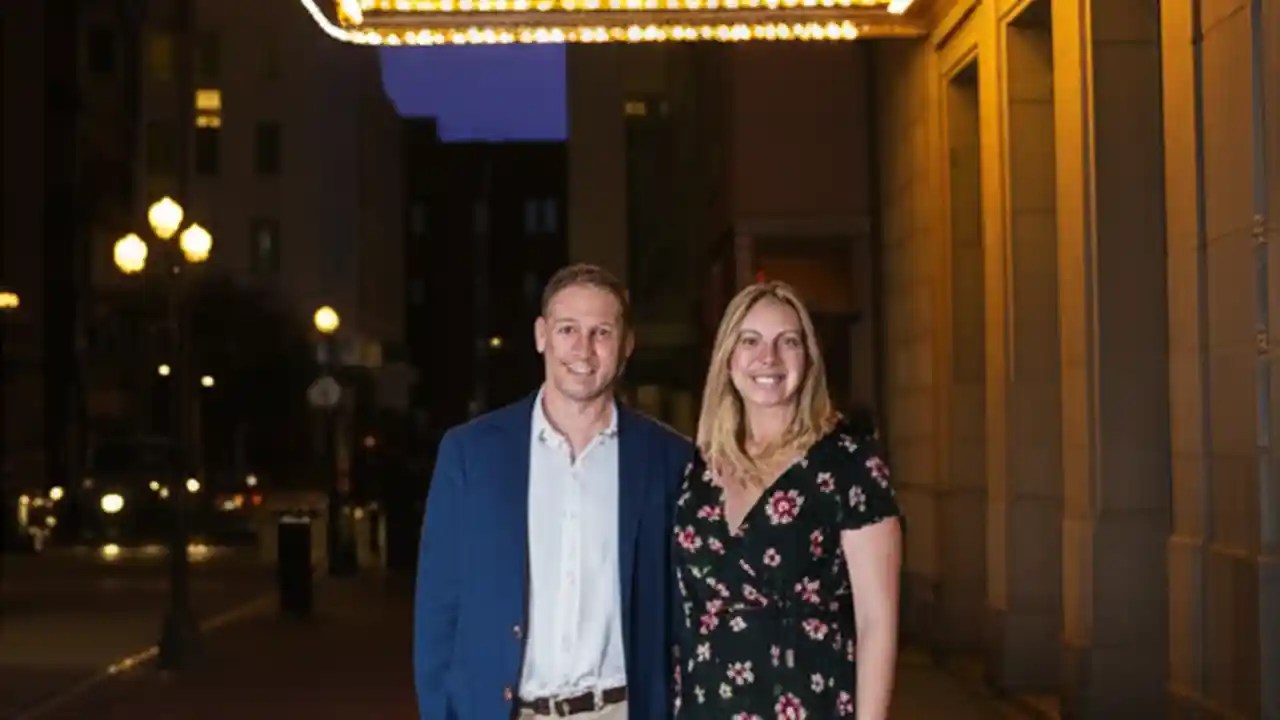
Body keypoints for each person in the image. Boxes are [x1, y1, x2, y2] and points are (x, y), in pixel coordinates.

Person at [413, 264, 692, 720]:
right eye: (568, 330)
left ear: (626, 345)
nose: (583, 349)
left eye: (601, 331)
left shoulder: (670, 460)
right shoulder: (470, 454)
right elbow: (438, 606)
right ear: (542, 335)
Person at [672, 281, 903, 719]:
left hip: (810, 704)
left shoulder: (848, 465)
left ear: (809, 359)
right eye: (750, 341)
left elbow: (877, 623)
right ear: (727, 358)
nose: (769, 358)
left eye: (788, 342)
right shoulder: (699, 471)